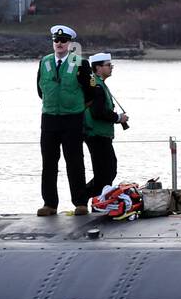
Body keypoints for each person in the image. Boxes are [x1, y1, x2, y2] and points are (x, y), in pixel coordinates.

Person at [36, 24, 92, 216]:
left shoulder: (79, 63)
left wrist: (76, 108)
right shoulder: (44, 62)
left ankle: (80, 202)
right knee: (48, 163)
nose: (59, 43)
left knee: (74, 161)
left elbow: (91, 92)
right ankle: (49, 203)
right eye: (56, 40)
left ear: (70, 43)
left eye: (63, 41)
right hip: (50, 118)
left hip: (72, 119)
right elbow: (39, 89)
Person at [84, 52, 129, 200]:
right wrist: (118, 118)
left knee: (108, 171)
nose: (111, 68)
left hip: (101, 134)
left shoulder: (99, 84)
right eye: (108, 65)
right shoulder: (96, 86)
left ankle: (88, 198)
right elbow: (97, 112)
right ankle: (86, 198)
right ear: (98, 68)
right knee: (105, 172)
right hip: (96, 134)